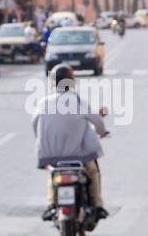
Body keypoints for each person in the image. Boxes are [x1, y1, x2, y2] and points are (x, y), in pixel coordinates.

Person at [33, 64, 108, 222]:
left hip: (51, 154)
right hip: (78, 156)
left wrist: (40, 140)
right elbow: (97, 121)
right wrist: (102, 132)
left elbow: (35, 124)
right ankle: (97, 205)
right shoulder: (77, 101)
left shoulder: (43, 102)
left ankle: (51, 204)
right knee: (93, 171)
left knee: (53, 172)